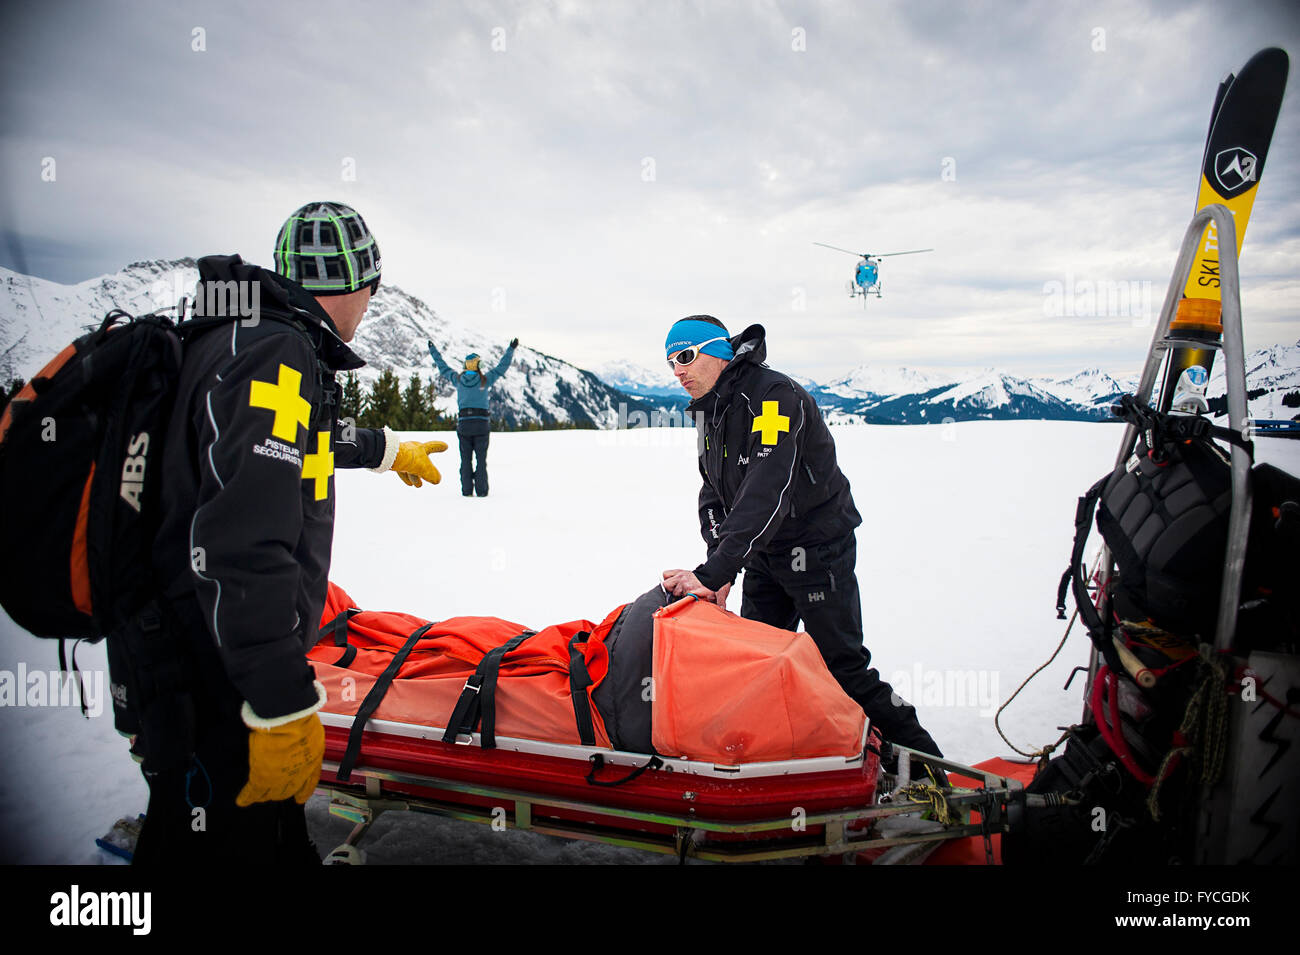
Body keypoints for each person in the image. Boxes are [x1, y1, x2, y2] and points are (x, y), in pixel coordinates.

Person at [130, 201, 447, 864]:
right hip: (213, 672)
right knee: (223, 834)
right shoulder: (277, 352)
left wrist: (387, 449)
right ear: (358, 284)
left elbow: (296, 439)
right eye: (375, 287)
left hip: (194, 653)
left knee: (240, 830)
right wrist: (278, 701)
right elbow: (239, 545)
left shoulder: (248, 335)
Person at [659, 315, 943, 762]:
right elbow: (713, 493)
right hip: (764, 555)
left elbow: (766, 490)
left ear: (719, 352)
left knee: (843, 667)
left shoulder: (773, 397)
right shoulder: (710, 413)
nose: (677, 370)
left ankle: (932, 767)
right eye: (671, 361)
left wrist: (715, 570)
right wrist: (722, 566)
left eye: (686, 356)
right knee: (760, 663)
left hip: (817, 550)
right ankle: (792, 760)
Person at [426, 337, 518, 497]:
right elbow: (502, 367)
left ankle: (467, 491)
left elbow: (442, 366)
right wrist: (511, 349)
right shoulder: (485, 379)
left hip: (464, 425)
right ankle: (482, 491)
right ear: (479, 366)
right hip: (482, 425)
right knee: (481, 461)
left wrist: (433, 350)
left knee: (465, 460)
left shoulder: (458, 379)